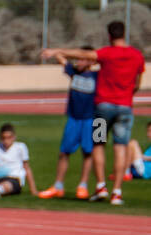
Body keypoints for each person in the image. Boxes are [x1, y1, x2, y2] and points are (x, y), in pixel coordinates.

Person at [44, 21, 145, 206]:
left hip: (103, 108)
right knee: (120, 147)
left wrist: (56, 50)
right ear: (125, 34)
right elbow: (138, 83)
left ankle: (100, 187)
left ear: (109, 35)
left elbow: (82, 54)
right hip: (125, 107)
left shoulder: (105, 53)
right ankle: (117, 192)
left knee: (98, 144)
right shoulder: (137, 55)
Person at [38, 47, 97, 200]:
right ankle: (58, 186)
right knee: (64, 152)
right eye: (77, 58)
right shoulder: (73, 72)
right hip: (74, 118)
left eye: (82, 58)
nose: (78, 61)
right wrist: (53, 52)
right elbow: (60, 57)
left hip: (94, 120)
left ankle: (84, 185)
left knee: (90, 152)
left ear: (91, 61)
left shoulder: (98, 76)